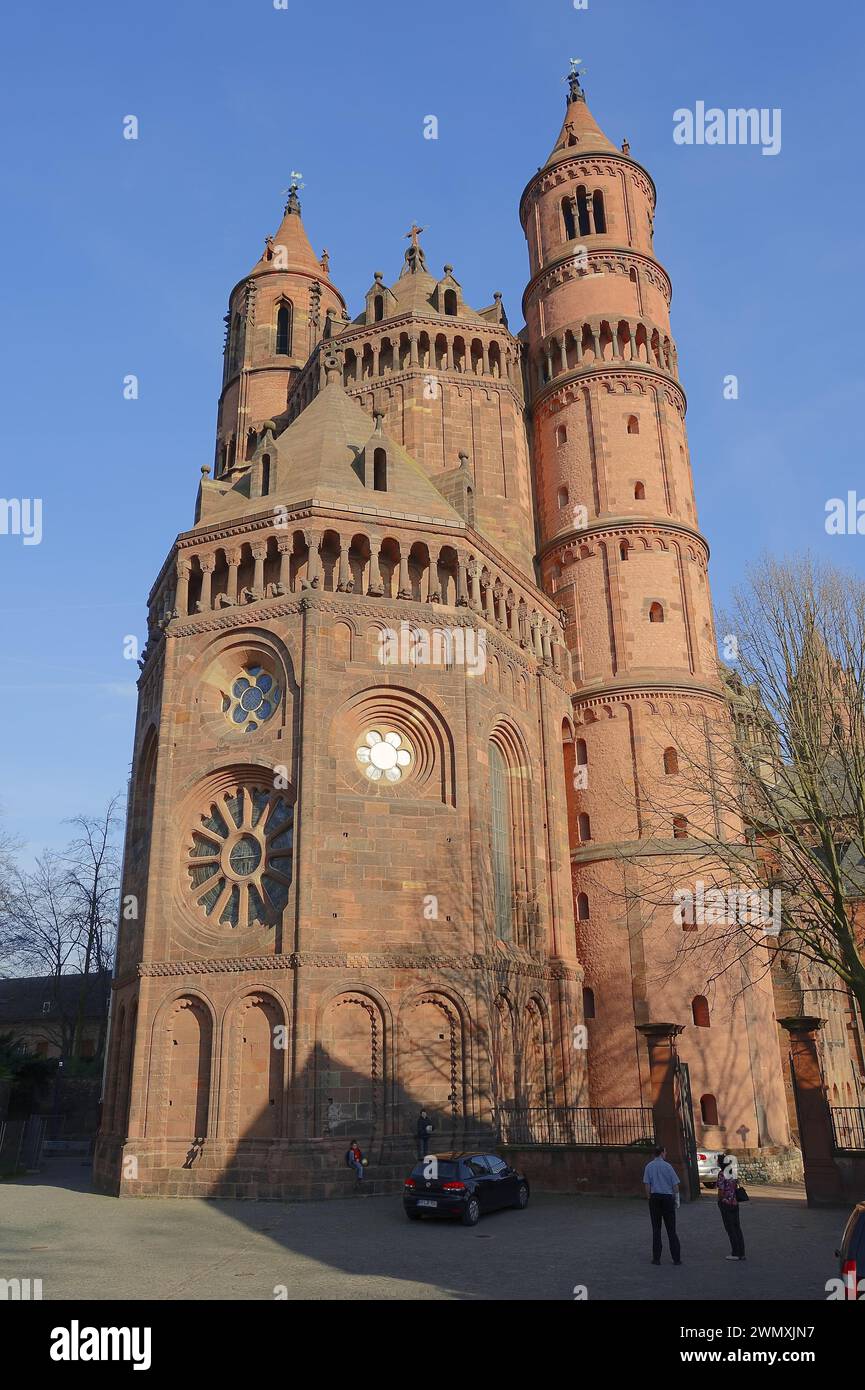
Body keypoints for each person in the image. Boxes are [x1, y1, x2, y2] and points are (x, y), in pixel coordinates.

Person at [642, 1144, 682, 1265]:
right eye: (665, 1152)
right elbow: (675, 1184)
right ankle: (676, 1258)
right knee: (671, 1229)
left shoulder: (649, 1166)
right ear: (662, 1153)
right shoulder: (668, 1166)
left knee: (656, 1229)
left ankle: (656, 1258)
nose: (666, 1154)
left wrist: (649, 1197)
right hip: (667, 1198)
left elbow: (647, 1184)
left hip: (655, 1198)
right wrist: (677, 1199)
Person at [716, 1153, 746, 1260]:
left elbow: (721, 1190)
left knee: (730, 1228)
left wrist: (720, 1200)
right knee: (737, 1227)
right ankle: (741, 1252)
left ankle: (735, 1252)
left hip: (726, 1203)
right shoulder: (732, 1172)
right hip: (734, 1202)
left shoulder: (721, 1174)